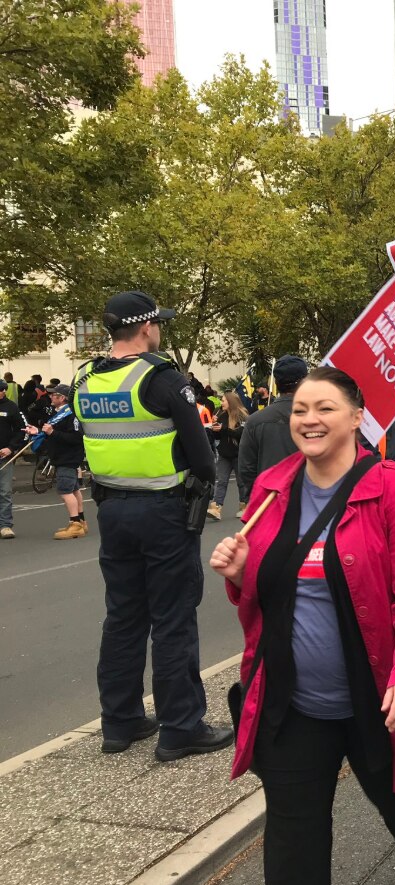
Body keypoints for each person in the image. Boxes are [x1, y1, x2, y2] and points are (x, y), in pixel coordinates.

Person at [208, 366, 395, 885]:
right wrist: (241, 573)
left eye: (325, 408)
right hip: (291, 699)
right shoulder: (273, 487)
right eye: (301, 410)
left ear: (357, 418)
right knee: (293, 830)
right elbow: (265, 592)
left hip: (373, 693)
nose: (309, 420)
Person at [71, 290, 230, 759]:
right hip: (164, 511)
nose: (160, 328)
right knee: (173, 618)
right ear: (145, 329)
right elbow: (202, 457)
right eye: (158, 322)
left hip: (111, 510)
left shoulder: (85, 379)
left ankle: (119, 724)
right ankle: (181, 726)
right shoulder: (162, 378)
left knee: (122, 616)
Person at [239, 355, 309, 500]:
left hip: (268, 503)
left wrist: (255, 498)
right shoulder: (319, 419)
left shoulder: (255, 421)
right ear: (305, 381)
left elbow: (246, 469)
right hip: (310, 504)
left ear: (276, 382)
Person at [25, 384, 87, 538]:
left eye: (54, 395)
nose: (51, 397)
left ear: (63, 398)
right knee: (74, 490)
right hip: (62, 457)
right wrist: (38, 432)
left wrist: (52, 432)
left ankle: (75, 524)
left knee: (65, 491)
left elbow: (76, 438)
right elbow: (51, 433)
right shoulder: (58, 413)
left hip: (67, 458)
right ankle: (81, 521)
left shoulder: (70, 414)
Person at [208, 390, 249, 521]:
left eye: (223, 400)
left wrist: (223, 429)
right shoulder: (220, 415)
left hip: (239, 454)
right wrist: (214, 428)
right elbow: (217, 436)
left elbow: (240, 433)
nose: (221, 403)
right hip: (225, 454)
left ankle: (244, 507)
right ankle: (216, 508)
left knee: (241, 483)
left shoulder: (242, 415)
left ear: (230, 402)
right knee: (222, 481)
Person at [0, 386, 27, 540]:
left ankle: (5, 525)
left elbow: (21, 430)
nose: (3, 392)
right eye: (0, 390)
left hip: (3, 456)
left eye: (4, 389)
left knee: (4, 492)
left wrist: (11, 448)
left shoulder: (11, 407)